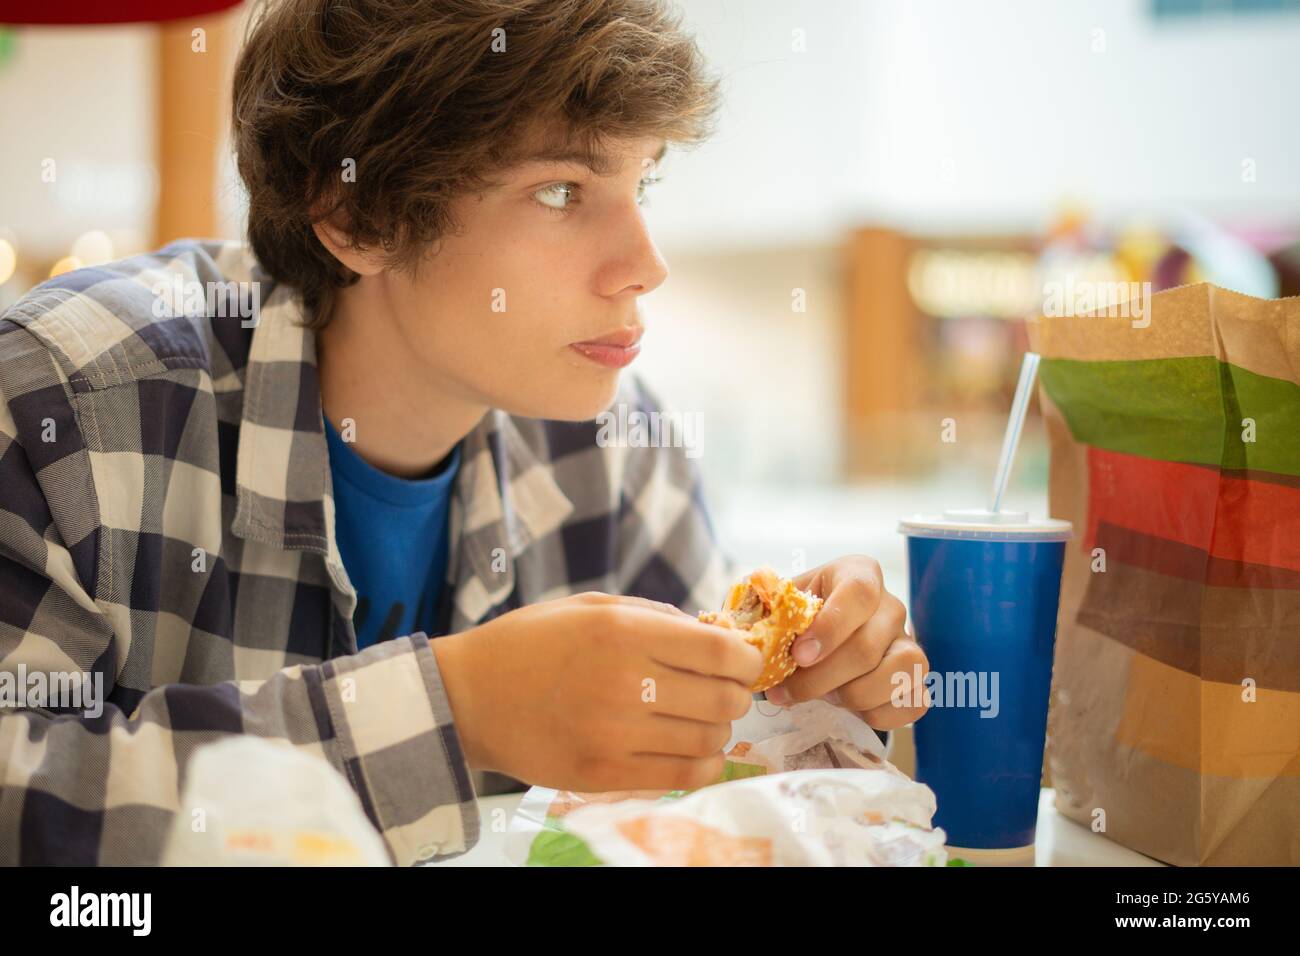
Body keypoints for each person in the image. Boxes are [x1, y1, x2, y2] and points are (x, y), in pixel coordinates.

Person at [0, 0, 926, 866]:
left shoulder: (621, 449)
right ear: (355, 214)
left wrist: (808, 703)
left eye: (644, 179)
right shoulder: (72, 398)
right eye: (562, 190)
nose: (647, 264)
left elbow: (691, 807)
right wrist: (454, 711)